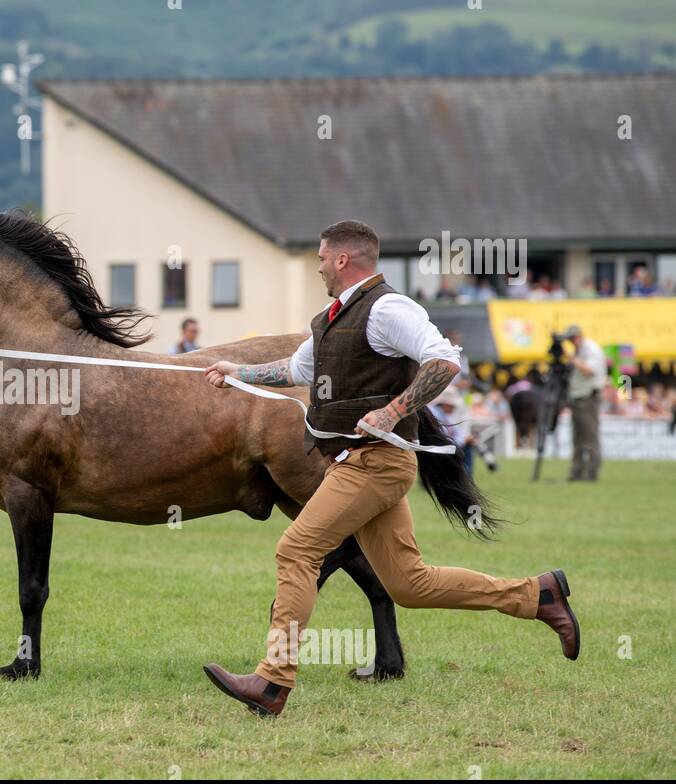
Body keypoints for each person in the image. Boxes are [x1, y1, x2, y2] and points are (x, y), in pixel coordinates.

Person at [199, 220, 580, 717]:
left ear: (342, 259)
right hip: (352, 463)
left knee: (296, 550)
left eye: (320, 255)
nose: (316, 263)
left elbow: (444, 361)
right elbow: (296, 371)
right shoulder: (333, 319)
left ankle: (272, 682)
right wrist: (239, 374)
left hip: (376, 464)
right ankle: (537, 595)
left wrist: (394, 410)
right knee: (409, 584)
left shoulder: (388, 308)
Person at [565, 324, 606, 482]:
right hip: (578, 398)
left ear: (580, 336)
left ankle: (591, 473)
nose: (571, 341)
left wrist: (573, 360)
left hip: (588, 398)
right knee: (578, 438)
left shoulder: (591, 349)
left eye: (573, 338)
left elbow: (590, 371)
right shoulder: (580, 349)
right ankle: (577, 472)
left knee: (590, 437)